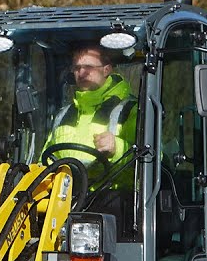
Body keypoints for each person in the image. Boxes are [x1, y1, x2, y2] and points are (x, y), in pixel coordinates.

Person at [44, 45, 138, 187]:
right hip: (66, 199)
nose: (82, 72)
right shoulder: (64, 115)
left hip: (113, 199)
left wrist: (118, 148)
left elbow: (155, 158)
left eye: (88, 67)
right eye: (77, 68)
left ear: (106, 69)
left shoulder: (131, 109)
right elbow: (47, 160)